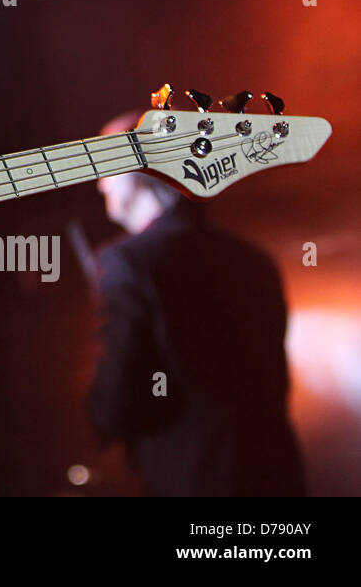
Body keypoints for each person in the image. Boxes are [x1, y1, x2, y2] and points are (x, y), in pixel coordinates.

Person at [88, 112, 306, 496]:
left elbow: (118, 397)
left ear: (141, 171)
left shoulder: (126, 263)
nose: (100, 185)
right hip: (277, 478)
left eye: (106, 167)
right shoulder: (253, 258)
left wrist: (97, 415)